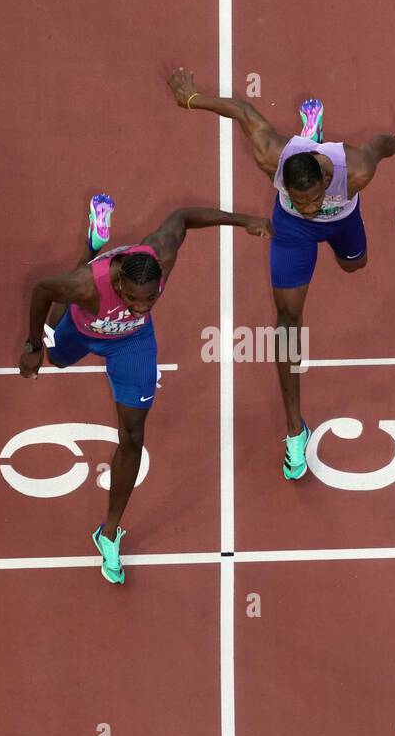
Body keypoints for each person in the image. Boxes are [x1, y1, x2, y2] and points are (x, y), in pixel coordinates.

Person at [166, 67, 395, 478]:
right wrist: (192, 100)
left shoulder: (355, 169)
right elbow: (243, 111)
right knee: (287, 323)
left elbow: (378, 146)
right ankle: (294, 433)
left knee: (355, 265)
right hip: (291, 232)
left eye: (313, 198)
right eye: (300, 199)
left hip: (342, 221)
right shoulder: (271, 156)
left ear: (325, 178)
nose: (309, 204)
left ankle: (312, 135)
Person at [19, 196, 271, 584]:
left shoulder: (161, 255)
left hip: (131, 346)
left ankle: (109, 534)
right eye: (133, 299)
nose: (141, 306)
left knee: (133, 436)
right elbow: (41, 291)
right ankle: (92, 244)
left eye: (150, 298)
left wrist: (244, 220)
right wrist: (33, 346)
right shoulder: (89, 286)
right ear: (119, 283)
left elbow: (183, 216)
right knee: (56, 355)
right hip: (85, 328)